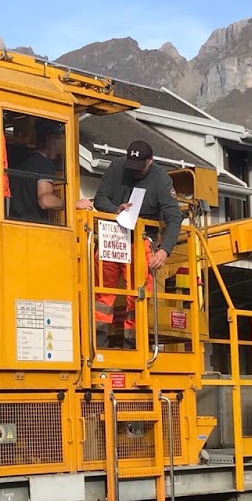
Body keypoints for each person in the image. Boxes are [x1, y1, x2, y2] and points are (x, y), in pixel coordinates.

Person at [76, 140, 185, 347]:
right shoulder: (118, 167)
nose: (134, 172)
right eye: (131, 166)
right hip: (112, 237)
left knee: (138, 296)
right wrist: (116, 210)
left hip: (141, 241)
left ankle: (134, 347)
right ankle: (98, 345)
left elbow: (174, 218)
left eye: (139, 167)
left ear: (150, 162)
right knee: (102, 294)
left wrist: (164, 251)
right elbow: (100, 199)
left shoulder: (161, 180)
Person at [7, 125, 65, 222]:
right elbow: (45, 201)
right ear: (50, 140)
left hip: (13, 221)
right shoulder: (44, 164)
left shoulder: (21, 162)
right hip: (35, 224)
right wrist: (73, 205)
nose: (59, 148)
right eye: (58, 140)